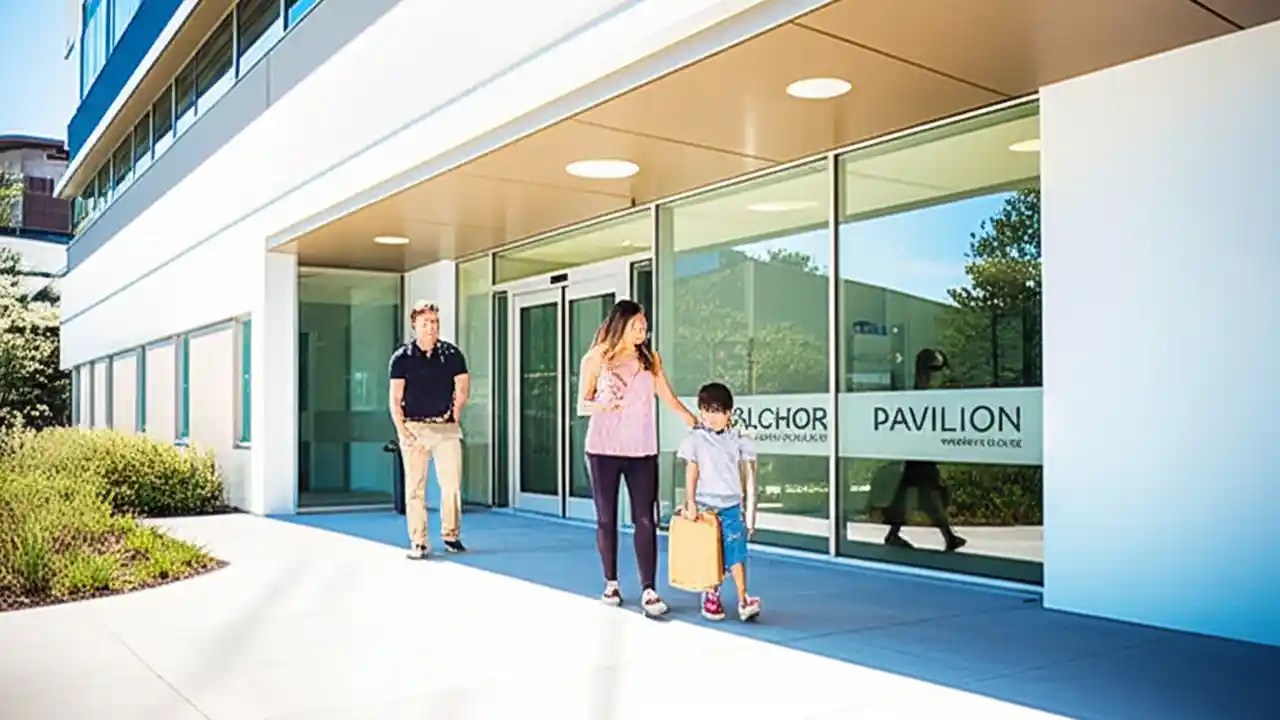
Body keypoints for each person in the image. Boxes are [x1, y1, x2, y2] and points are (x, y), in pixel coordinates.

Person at [577, 299, 697, 617]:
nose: (643, 331)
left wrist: (691, 419)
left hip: (642, 449)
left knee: (646, 519)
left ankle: (649, 589)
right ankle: (611, 582)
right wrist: (605, 406)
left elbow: (667, 396)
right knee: (606, 518)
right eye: (637, 325)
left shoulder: (649, 359)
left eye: (645, 326)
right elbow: (581, 405)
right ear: (621, 325)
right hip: (603, 449)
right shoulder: (596, 359)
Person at [388, 300, 470, 560]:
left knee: (452, 485)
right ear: (415, 324)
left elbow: (463, 387)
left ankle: (451, 534)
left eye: (435, 322)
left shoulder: (452, 354)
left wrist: (454, 416)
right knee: (415, 488)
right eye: (426, 323)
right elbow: (394, 398)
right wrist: (402, 430)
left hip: (445, 427)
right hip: (414, 426)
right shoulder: (402, 358)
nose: (431, 327)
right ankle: (419, 541)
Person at [677, 382, 762, 622]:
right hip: (705, 505)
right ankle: (711, 594)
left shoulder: (738, 440)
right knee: (709, 554)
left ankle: (744, 598)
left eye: (716, 411)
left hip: (731, 505)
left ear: (728, 413)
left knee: (736, 552)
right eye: (705, 410)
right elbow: (691, 472)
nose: (710, 417)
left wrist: (750, 514)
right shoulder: (696, 439)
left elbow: (749, 478)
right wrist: (690, 502)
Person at [883, 348, 967, 552]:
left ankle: (895, 533)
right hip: (918, 452)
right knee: (930, 493)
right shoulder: (921, 388)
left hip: (917, 451)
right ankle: (947, 536)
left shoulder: (920, 387)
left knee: (920, 493)